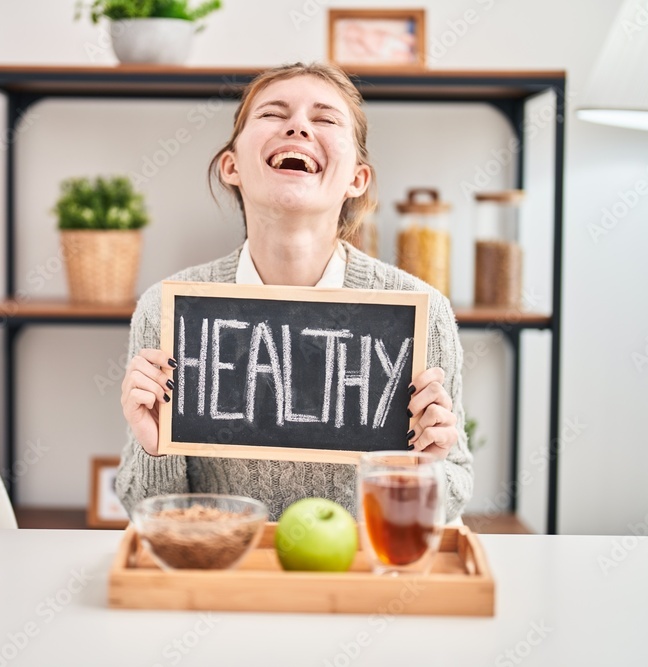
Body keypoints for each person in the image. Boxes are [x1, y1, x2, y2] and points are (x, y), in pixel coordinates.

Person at [116, 62, 473, 521]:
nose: (298, 126)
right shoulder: (165, 312)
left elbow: (452, 492)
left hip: (360, 582)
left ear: (357, 180)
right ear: (231, 166)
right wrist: (155, 448)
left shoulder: (422, 315)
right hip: (227, 576)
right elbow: (149, 513)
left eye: (324, 118)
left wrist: (425, 469)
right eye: (272, 114)